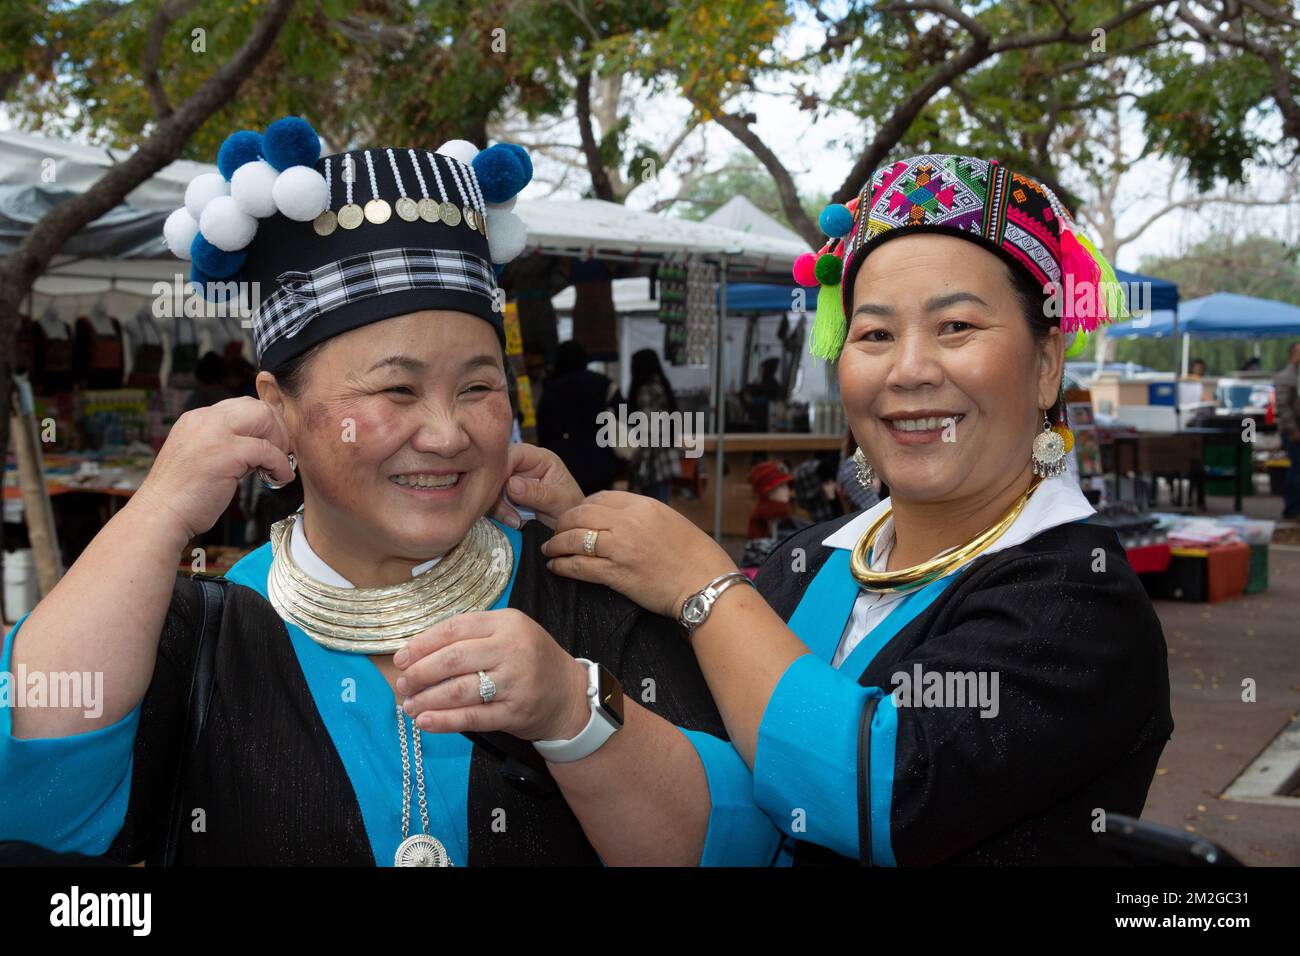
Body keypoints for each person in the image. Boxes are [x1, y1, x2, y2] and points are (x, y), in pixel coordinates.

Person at [0, 118, 777, 867]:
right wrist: (157, 512)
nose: (445, 434)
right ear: (279, 408)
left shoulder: (587, 589)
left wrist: (575, 716)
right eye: (397, 390)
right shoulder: (203, 632)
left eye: (478, 385)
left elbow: (739, 847)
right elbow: (37, 798)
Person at [535, 154, 1174, 864]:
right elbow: (714, 760)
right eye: (874, 335)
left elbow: (884, 793)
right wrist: (580, 534)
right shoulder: (810, 560)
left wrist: (702, 585)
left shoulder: (1080, 602)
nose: (908, 369)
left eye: (956, 326)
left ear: (1047, 361)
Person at [536, 340, 622, 495]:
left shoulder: (552, 388)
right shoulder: (603, 383)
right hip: (601, 460)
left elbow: (544, 428)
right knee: (601, 509)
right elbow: (622, 415)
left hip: (565, 461)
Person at [626, 348, 680, 503]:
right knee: (662, 507)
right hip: (664, 457)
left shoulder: (646, 391)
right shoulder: (661, 387)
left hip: (652, 462)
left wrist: (641, 467)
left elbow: (648, 432)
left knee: (653, 511)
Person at [1274, 340, 1300, 519]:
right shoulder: (1285, 377)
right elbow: (1283, 407)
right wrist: (1293, 430)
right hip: (1294, 431)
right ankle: (1291, 508)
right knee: (1297, 469)